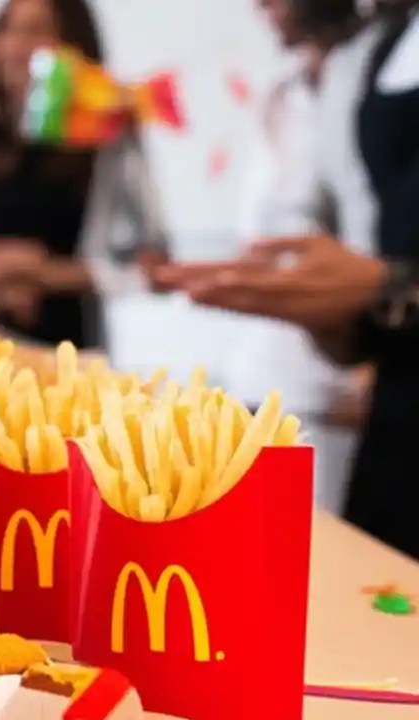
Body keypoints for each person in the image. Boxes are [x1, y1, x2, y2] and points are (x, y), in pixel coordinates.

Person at [157, 1, 419, 559]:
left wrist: (385, 291)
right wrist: (345, 324)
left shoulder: (366, 62)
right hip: (386, 427)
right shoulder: (382, 52)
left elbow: (379, 260)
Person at [0, 0, 168, 348]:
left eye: (36, 31)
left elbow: (152, 267)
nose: (15, 47)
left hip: (76, 357)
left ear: (74, 46)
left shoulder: (109, 148)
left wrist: (46, 274)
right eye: (7, 30)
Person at [223, 0, 365, 513]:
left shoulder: (376, 77)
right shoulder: (280, 92)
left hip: (340, 387)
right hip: (261, 372)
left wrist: (364, 371)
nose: (260, 5)